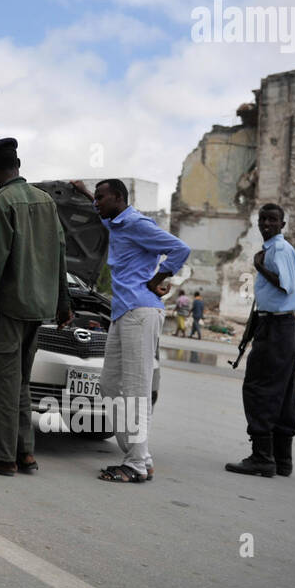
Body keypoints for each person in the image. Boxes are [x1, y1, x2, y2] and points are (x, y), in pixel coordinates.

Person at [0, 138, 72, 476]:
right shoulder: (45, 200)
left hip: (12, 306)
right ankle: (25, 453)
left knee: (1, 382)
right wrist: (63, 302)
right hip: (40, 308)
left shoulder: (2, 200)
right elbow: (60, 251)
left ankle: (1, 457)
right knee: (20, 380)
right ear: (18, 165)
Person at [71, 178, 190, 484]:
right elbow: (101, 214)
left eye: (101, 197)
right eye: (96, 198)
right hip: (123, 312)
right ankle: (140, 455)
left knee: (137, 390)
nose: (97, 203)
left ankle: (136, 462)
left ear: (119, 198)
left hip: (141, 312)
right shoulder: (116, 222)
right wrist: (84, 192)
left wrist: (158, 279)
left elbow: (180, 249)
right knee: (109, 384)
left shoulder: (137, 223)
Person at [226, 203, 295, 479]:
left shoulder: (278, 250)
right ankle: (282, 459)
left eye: (272, 220)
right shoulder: (277, 249)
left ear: (282, 225)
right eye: (263, 219)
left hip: (277, 328)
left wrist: (259, 266)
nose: (266, 224)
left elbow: (286, 285)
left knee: (259, 389)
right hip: (280, 327)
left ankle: (262, 458)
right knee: (282, 393)